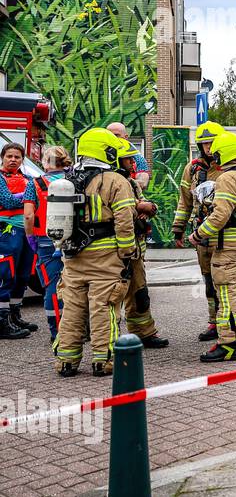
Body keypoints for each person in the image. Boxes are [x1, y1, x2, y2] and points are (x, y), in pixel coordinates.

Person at [52, 129, 138, 376]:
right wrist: (127, 251)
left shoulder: (67, 180)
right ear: (108, 151)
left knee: (73, 308)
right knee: (104, 307)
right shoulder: (115, 180)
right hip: (106, 256)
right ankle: (104, 360)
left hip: (73, 257)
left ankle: (66, 361)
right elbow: (124, 220)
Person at [192, 132, 236, 361]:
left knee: (226, 291)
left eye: (217, 154)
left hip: (229, 244)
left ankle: (229, 343)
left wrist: (199, 234)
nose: (215, 158)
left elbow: (221, 214)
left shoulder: (228, 178)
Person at [106, 124, 168, 349]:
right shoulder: (98, 164)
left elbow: (141, 182)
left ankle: (143, 332)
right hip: (110, 244)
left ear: (125, 136)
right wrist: (139, 204)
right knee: (109, 294)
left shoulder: (134, 157)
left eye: (117, 135)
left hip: (133, 238)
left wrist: (141, 204)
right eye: (110, 134)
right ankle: (105, 340)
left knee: (139, 290)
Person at [171, 120, 226, 340]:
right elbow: (184, 201)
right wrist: (179, 229)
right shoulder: (192, 169)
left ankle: (230, 321)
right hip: (201, 233)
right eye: (205, 144)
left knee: (227, 279)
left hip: (225, 234)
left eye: (212, 143)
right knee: (208, 280)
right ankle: (214, 321)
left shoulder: (230, 166)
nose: (209, 148)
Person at [24, 145, 72, 340]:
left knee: (53, 287)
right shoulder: (74, 181)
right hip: (74, 241)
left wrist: (30, 238)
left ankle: (58, 332)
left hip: (45, 241)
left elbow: (28, 215)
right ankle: (80, 328)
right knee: (77, 286)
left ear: (45, 162)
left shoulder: (34, 184)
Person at [0, 142, 37, 339]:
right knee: (7, 274)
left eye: (17, 157)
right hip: (7, 230)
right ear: (3, 157)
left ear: (22, 160)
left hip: (27, 231)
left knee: (23, 275)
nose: (13, 160)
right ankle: (2, 321)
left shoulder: (28, 178)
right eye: (9, 156)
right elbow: (7, 201)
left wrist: (27, 195)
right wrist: (30, 195)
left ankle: (15, 315)